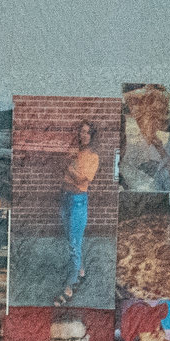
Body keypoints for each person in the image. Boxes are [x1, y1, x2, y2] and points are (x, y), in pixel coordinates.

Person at [58, 120, 100, 296]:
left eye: (87, 132)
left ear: (92, 136)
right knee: (71, 239)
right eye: (81, 131)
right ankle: (81, 269)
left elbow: (83, 181)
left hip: (78, 202)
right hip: (65, 199)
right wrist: (67, 162)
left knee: (74, 245)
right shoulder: (73, 151)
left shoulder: (93, 157)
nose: (83, 135)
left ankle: (70, 285)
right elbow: (60, 169)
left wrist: (68, 166)